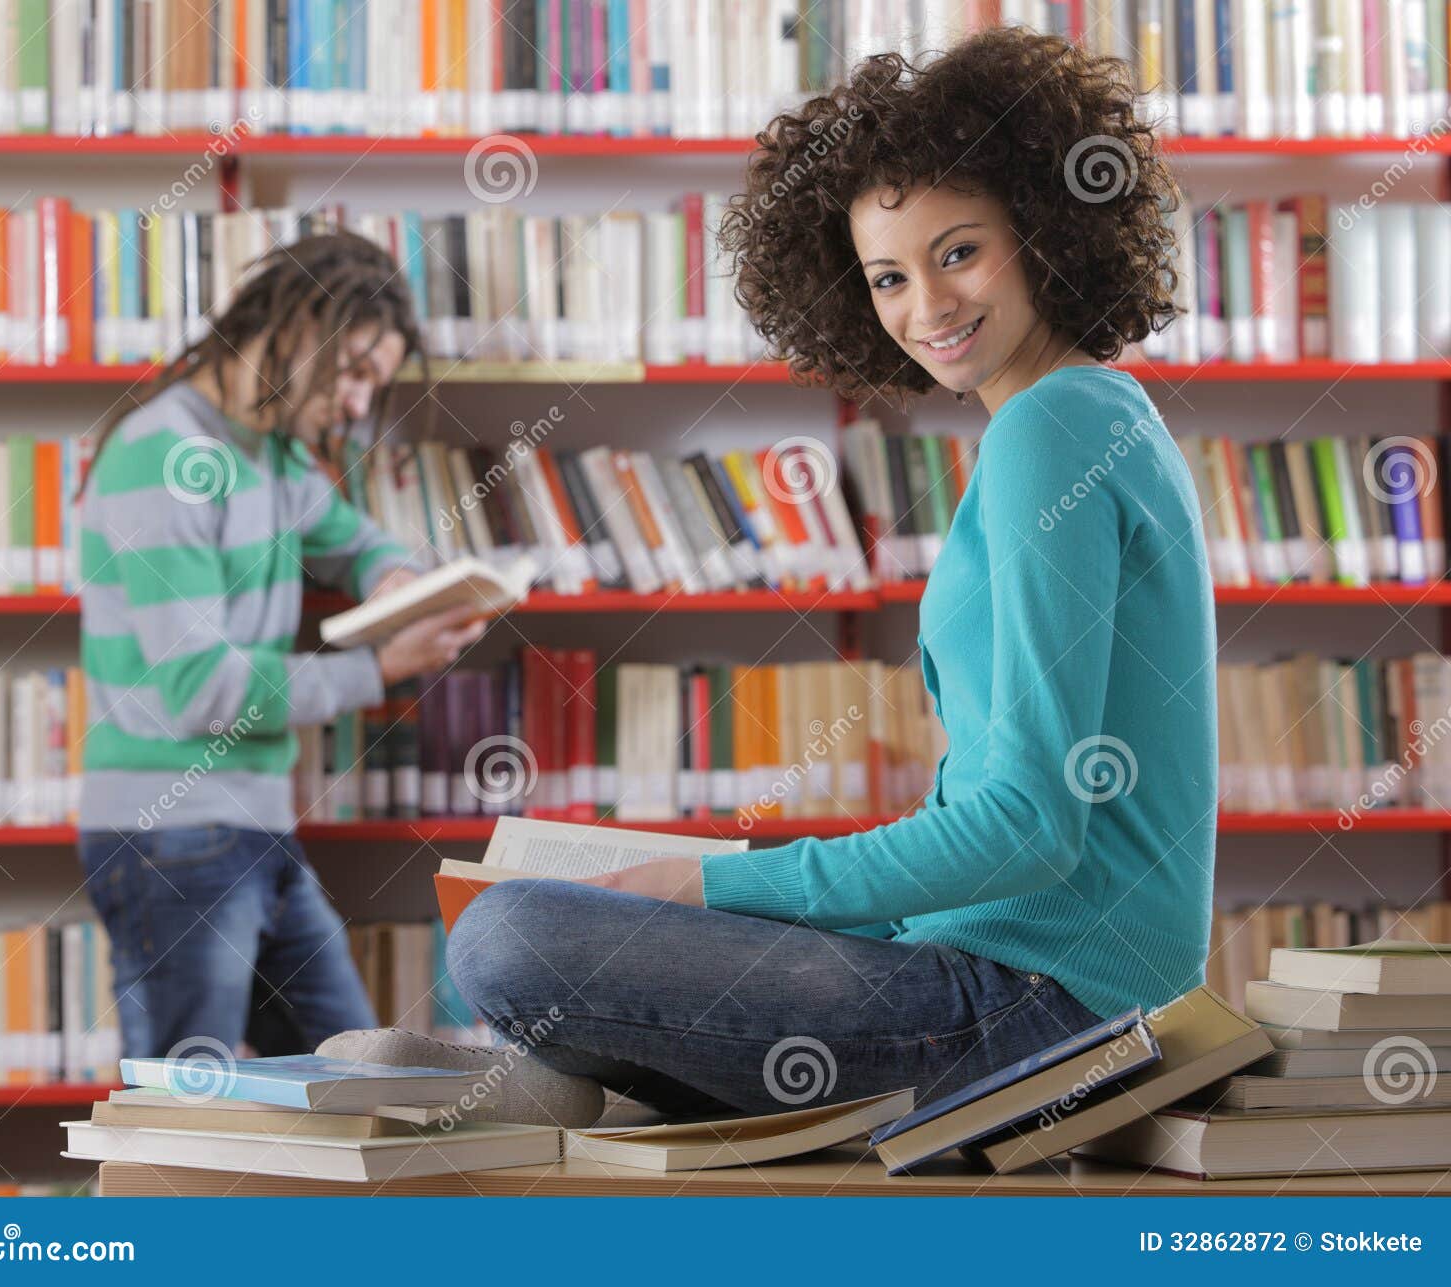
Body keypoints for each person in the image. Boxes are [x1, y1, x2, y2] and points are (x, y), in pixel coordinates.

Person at [324, 28, 1215, 1126]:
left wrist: (704, 885)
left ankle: (575, 1088)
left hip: (1044, 1012)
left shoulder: (1050, 432)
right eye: (887, 276)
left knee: (511, 935)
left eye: (959, 252)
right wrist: (747, 903)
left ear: (1041, 230)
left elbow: (1027, 828)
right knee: (547, 918)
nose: (924, 306)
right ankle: (593, 1090)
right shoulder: (1095, 415)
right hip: (1017, 979)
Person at [77, 232, 486, 1061]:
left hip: (252, 828)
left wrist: (395, 579)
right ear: (301, 333)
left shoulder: (273, 458)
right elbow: (200, 689)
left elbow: (357, 540)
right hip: (172, 835)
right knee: (184, 1132)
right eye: (359, 372)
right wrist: (379, 666)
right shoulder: (168, 455)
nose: (360, 406)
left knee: (358, 1081)